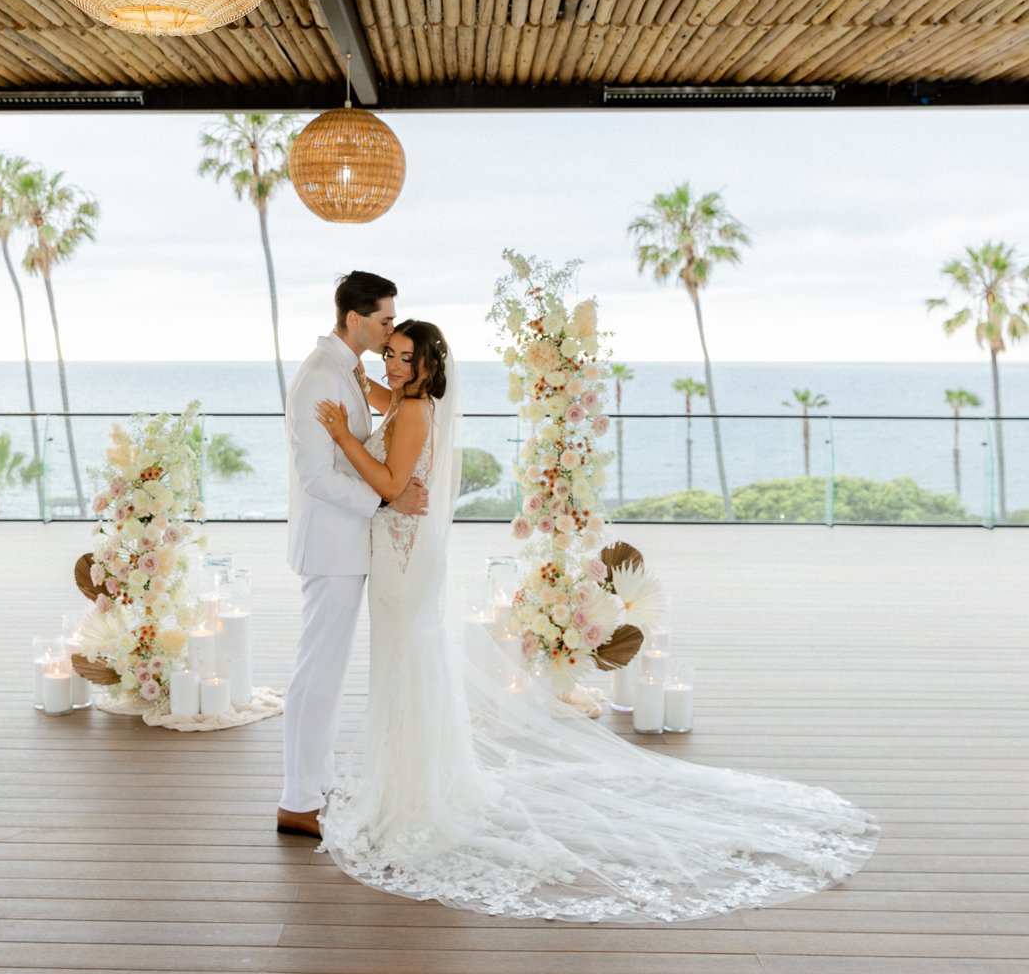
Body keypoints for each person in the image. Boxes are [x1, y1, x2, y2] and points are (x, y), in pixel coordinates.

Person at [312, 319, 879, 923]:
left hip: (403, 554)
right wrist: (358, 381)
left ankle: (412, 795)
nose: (390, 366)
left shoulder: (416, 411)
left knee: (405, 662)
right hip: (405, 551)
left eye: (402, 358)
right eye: (390, 354)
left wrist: (344, 435)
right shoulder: (406, 401)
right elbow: (386, 404)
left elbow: (393, 483)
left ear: (427, 368)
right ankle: (409, 782)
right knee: (407, 662)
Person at [278, 271, 427, 839]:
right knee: (316, 673)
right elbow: (316, 476)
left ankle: (315, 784)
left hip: (346, 543)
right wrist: (384, 502)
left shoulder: (348, 372)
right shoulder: (321, 377)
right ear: (355, 319)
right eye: (385, 320)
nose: (390, 330)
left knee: (327, 673)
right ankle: (297, 800)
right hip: (331, 546)